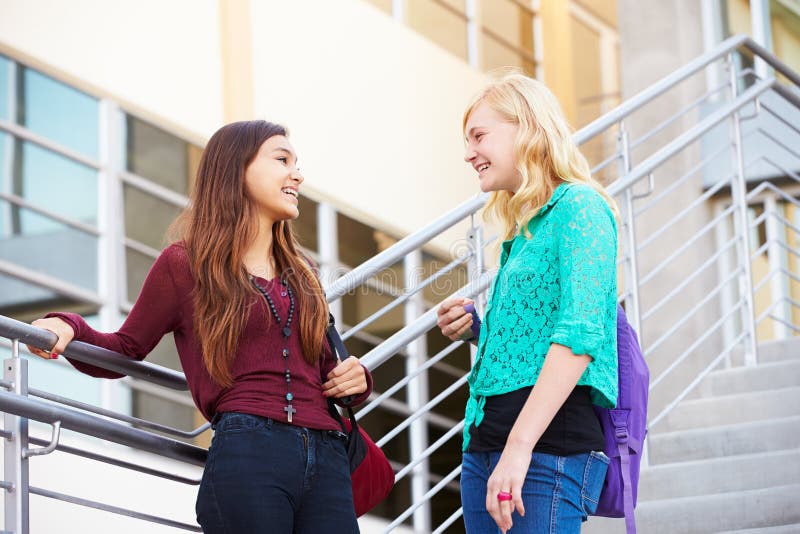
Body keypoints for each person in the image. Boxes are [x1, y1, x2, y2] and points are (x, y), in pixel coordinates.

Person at [26, 120, 371, 534]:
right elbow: (126, 347)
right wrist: (69, 325)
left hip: (328, 454)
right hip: (249, 452)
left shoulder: (304, 272)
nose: (297, 174)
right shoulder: (184, 264)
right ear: (235, 168)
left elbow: (325, 370)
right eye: (282, 160)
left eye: (297, 163)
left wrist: (358, 380)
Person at [437, 72, 619, 533]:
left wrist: (519, 449)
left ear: (528, 127)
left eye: (480, 135)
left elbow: (581, 337)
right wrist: (479, 327)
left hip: (545, 453)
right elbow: (538, 332)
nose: (468, 152)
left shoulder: (581, 208)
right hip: (485, 450)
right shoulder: (521, 233)